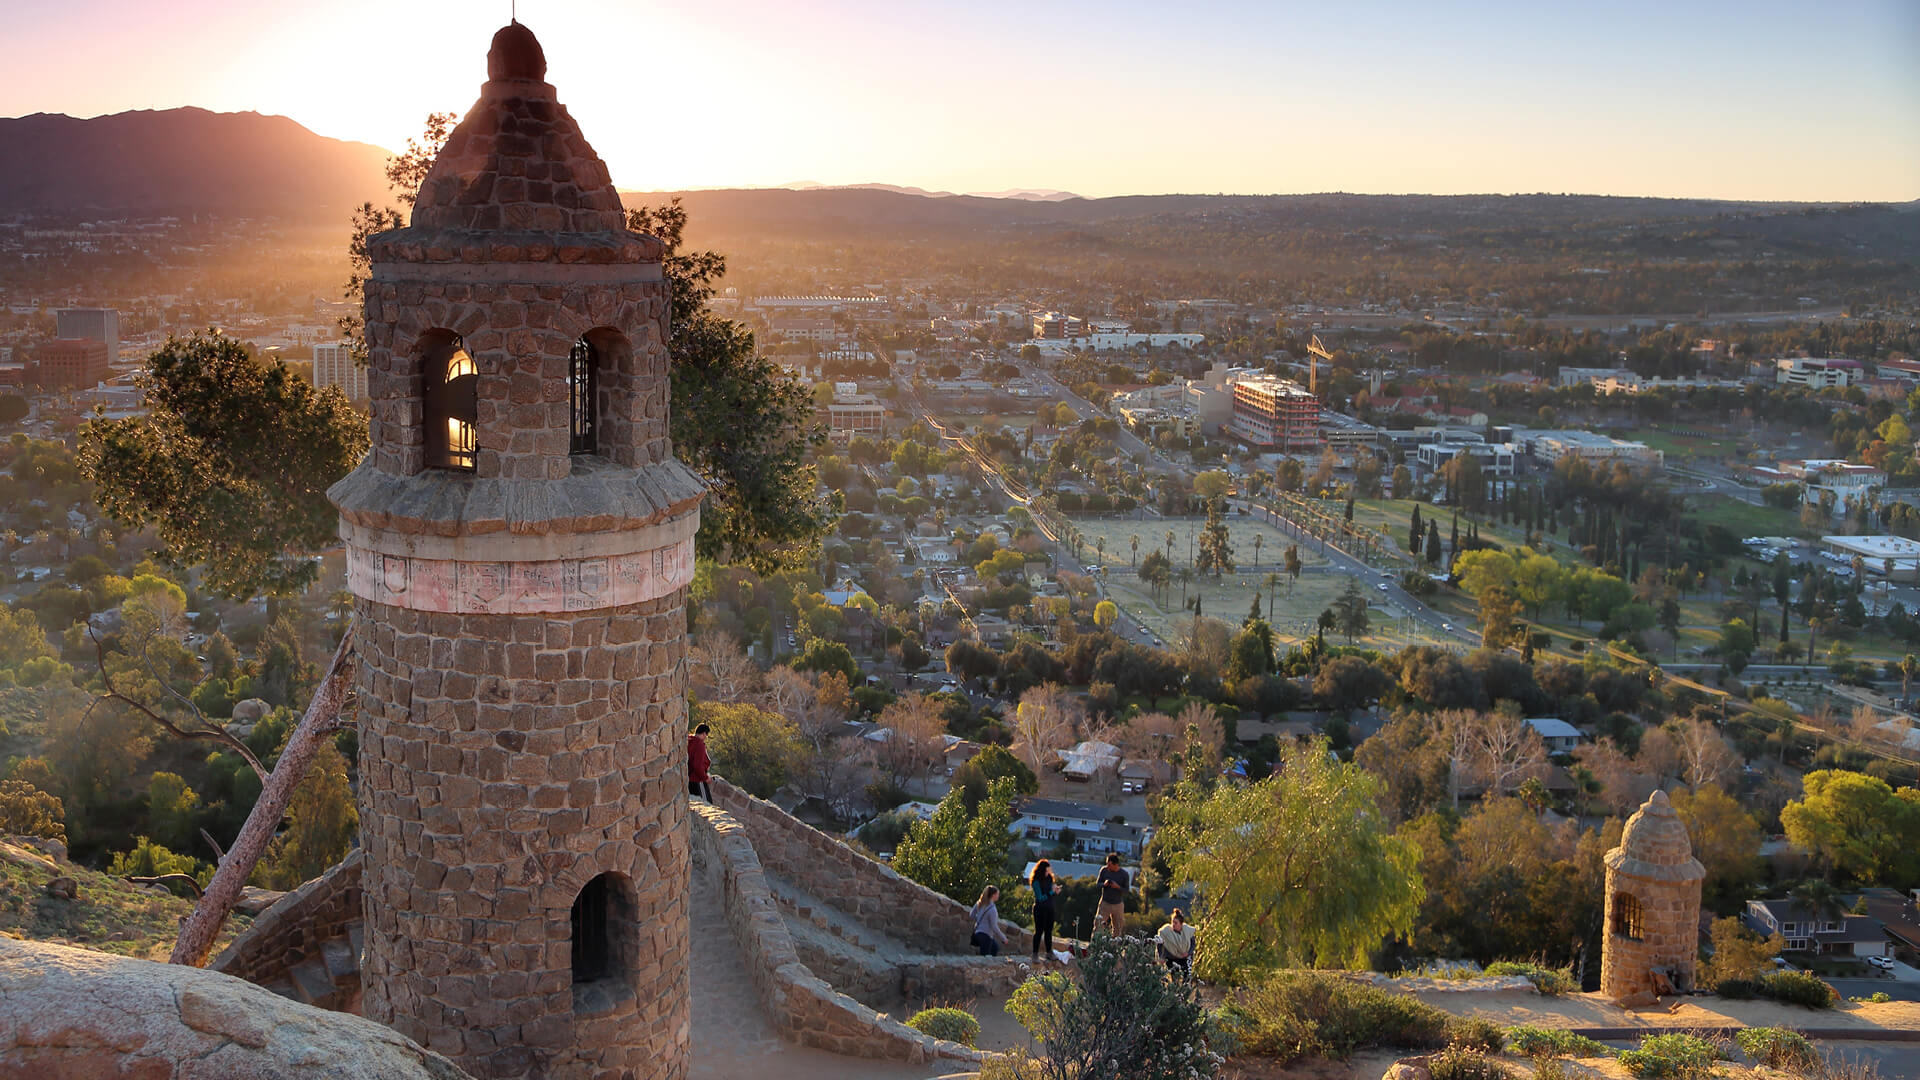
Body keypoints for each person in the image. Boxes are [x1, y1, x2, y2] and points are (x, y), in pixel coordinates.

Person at [1156, 908, 1196, 980]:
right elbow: (1159, 944)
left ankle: (1185, 987)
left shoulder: (1187, 930)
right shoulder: (1166, 931)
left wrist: (1188, 953)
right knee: (1175, 979)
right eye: (1172, 922)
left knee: (1186, 977)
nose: (1173, 924)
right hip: (1171, 958)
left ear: (1181, 924)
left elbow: (1193, 944)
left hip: (1184, 957)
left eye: (1176, 923)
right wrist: (1161, 956)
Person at [1096, 853, 1129, 935]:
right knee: (1098, 926)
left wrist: (1117, 887)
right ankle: (1095, 941)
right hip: (1105, 903)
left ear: (1115, 864)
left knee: (1118, 929)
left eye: (1109, 865)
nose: (1107, 867)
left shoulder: (1124, 874)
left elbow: (1126, 891)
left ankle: (1115, 943)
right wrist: (1104, 884)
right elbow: (1097, 884)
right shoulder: (1104, 870)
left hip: (1118, 904)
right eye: (1107, 864)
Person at [1030, 860, 1056, 960]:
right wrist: (1051, 892)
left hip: (1049, 908)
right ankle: (1035, 953)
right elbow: (1040, 897)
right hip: (1040, 909)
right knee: (1039, 931)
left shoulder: (1049, 879)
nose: (1049, 871)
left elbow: (1050, 892)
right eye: (1047, 869)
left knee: (1048, 931)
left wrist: (1055, 891)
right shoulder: (1036, 881)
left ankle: (1049, 952)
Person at [970, 885, 1008, 956]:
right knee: (987, 956)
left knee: (995, 947)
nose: (998, 896)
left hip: (977, 933)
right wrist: (1003, 938)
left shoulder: (980, 903)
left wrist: (979, 919)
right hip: (986, 935)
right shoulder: (992, 909)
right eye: (997, 894)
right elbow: (994, 926)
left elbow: (971, 914)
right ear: (993, 895)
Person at [687, 723, 712, 803]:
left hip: (689, 778)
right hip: (697, 779)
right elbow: (697, 765)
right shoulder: (699, 744)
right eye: (706, 735)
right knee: (706, 802)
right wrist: (705, 777)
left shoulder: (689, 740)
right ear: (704, 733)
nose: (706, 737)